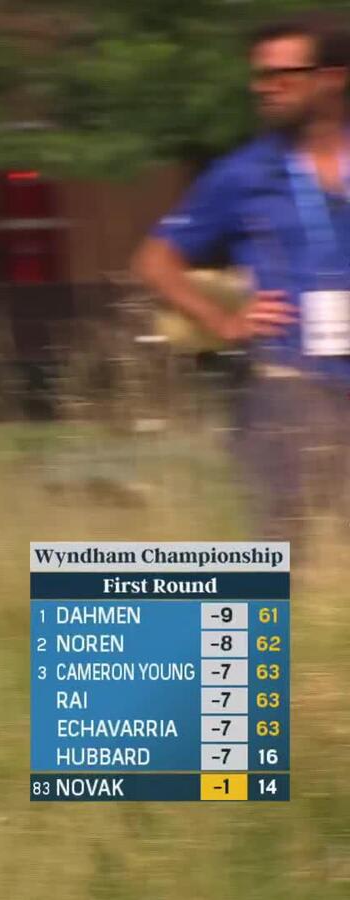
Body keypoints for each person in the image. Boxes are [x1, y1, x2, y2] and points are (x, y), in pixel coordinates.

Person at [133, 13, 350, 549]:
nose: (267, 89)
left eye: (284, 75)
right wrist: (223, 320)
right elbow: (155, 261)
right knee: (290, 555)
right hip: (289, 386)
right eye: (260, 77)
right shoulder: (242, 175)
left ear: (332, 77)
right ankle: (271, 631)